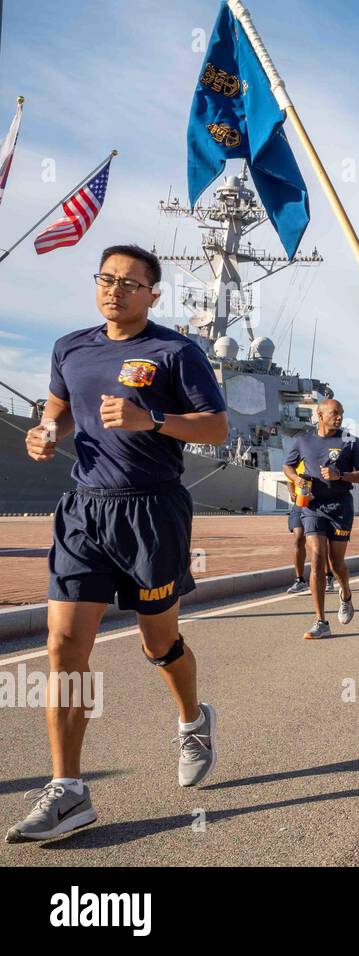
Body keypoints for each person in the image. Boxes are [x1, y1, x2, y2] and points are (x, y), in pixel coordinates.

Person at [7, 245, 228, 844]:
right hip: (84, 510)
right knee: (64, 644)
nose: (115, 291)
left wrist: (150, 420)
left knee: (158, 641)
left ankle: (192, 719)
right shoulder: (70, 347)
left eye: (130, 283)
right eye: (107, 279)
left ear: (153, 294)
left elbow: (214, 427)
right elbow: (59, 410)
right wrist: (47, 431)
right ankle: (68, 789)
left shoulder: (176, 352)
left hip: (153, 510)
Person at [283, 399, 359, 640]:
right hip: (312, 506)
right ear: (320, 416)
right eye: (334, 413)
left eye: (341, 413)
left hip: (341, 507)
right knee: (318, 558)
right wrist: (297, 479)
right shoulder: (304, 440)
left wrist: (339, 475)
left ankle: (345, 593)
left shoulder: (350, 440)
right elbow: (287, 466)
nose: (340, 417)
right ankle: (321, 621)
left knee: (336, 564)